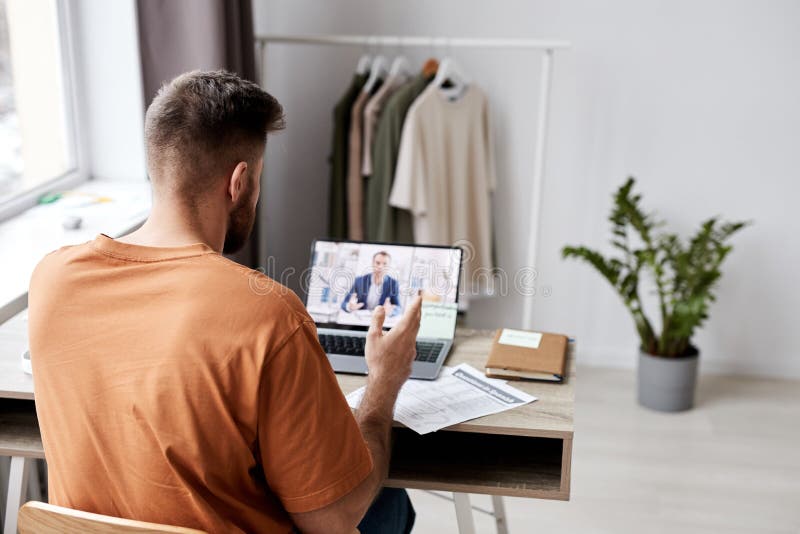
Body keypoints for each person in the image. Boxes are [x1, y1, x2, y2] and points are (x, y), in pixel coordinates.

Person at [27, 70, 421, 534]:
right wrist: (383, 385)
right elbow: (334, 518)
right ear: (238, 182)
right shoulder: (269, 314)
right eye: (257, 180)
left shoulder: (52, 278)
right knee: (388, 500)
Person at [341, 251, 401, 316]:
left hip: (380, 321)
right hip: (360, 321)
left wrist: (390, 311)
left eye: (385, 264)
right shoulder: (359, 280)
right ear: (372, 263)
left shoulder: (393, 283)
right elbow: (344, 303)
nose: (380, 267)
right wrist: (349, 306)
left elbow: (398, 308)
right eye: (377, 263)